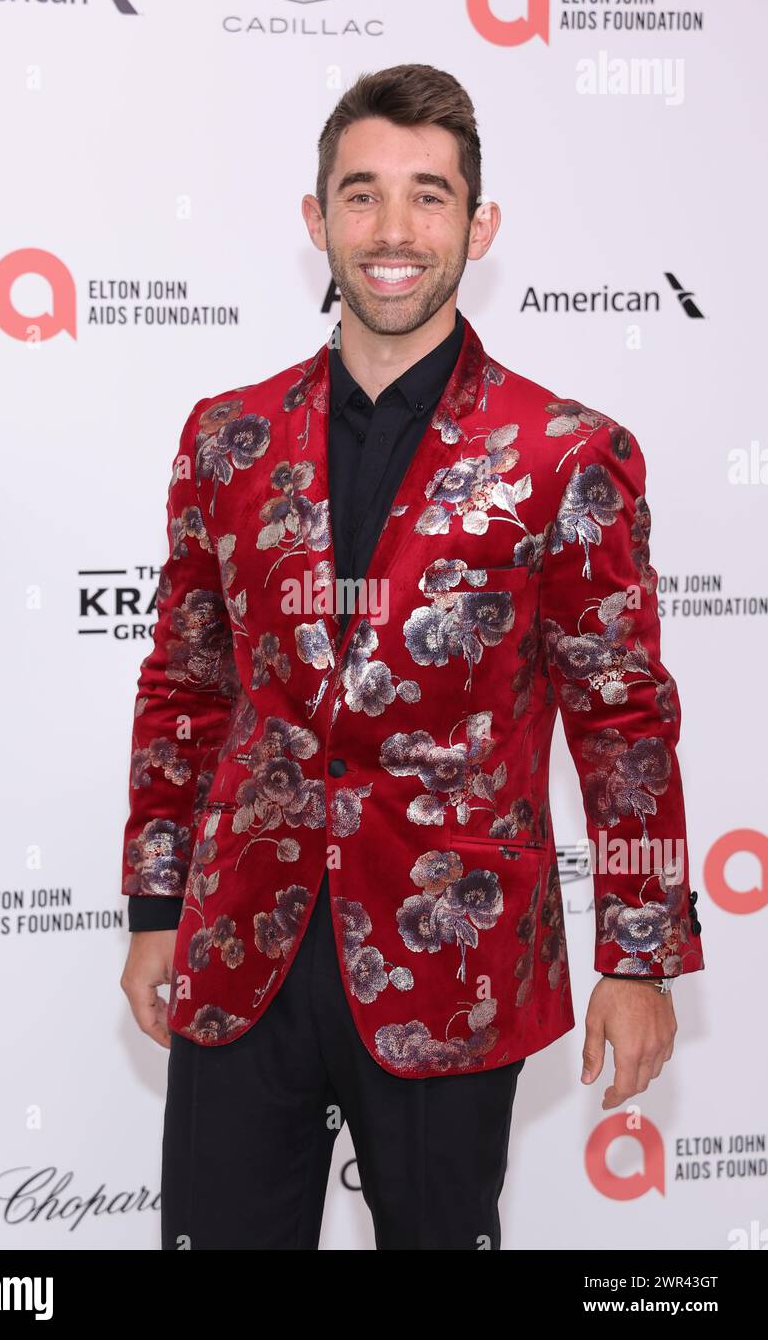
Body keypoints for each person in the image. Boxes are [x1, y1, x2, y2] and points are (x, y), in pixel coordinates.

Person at [119, 63, 705, 1251]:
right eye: (362, 194)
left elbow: (623, 723)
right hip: (242, 946)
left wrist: (639, 954)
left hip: (455, 957)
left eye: (428, 196)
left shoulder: (563, 453)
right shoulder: (225, 437)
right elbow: (187, 684)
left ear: (477, 226)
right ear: (314, 220)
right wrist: (155, 901)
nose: (393, 231)